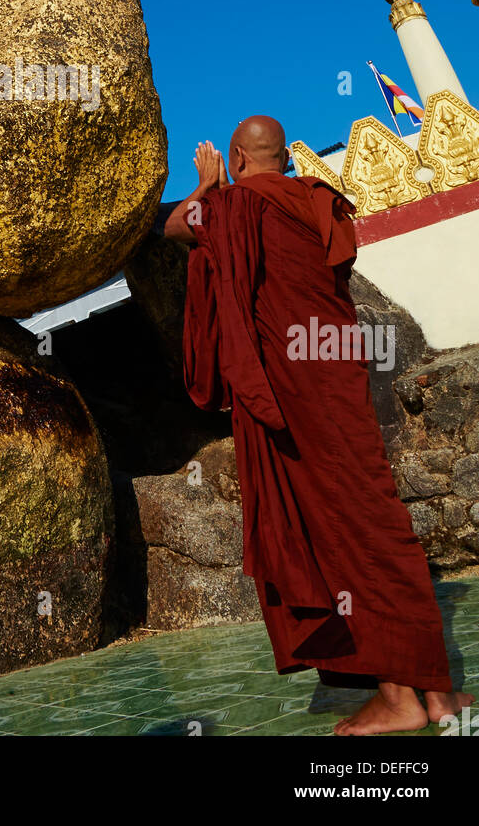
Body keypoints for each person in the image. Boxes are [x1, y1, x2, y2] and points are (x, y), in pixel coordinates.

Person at [164, 115, 472, 735]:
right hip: (335, 377)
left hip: (289, 395)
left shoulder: (235, 205)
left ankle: (399, 697)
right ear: (283, 157)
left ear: (236, 157)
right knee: (376, 516)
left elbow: (176, 227)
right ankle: (436, 692)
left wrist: (205, 185)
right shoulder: (315, 202)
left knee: (336, 527)